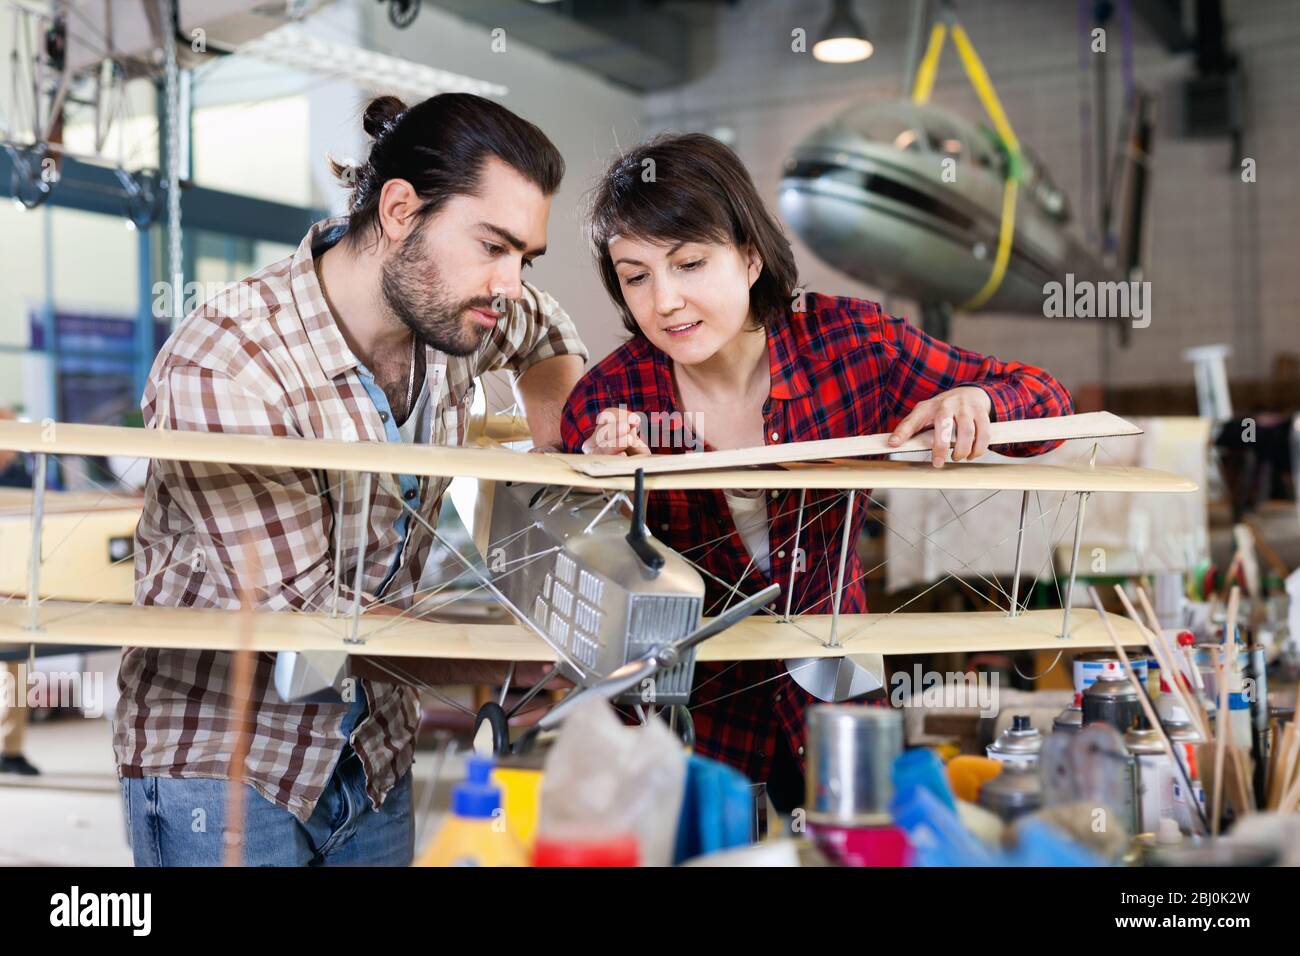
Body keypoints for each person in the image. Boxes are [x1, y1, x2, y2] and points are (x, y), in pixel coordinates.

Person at [116, 93, 587, 865]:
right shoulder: (230, 358)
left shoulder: (453, 314)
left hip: (373, 756)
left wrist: (559, 450)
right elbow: (308, 620)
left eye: (524, 258)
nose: (510, 283)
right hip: (227, 764)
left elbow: (547, 326)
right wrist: (528, 645)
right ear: (400, 209)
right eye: (494, 247)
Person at [561, 133, 1071, 814]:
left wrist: (979, 401)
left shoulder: (852, 343)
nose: (666, 302)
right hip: (684, 723)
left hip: (839, 698)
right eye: (636, 276)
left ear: (748, 256)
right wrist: (601, 494)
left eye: (689, 264)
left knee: (863, 852)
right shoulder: (606, 402)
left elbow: (1046, 402)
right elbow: (575, 581)